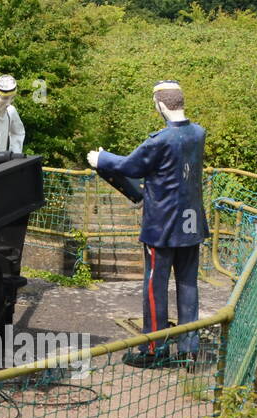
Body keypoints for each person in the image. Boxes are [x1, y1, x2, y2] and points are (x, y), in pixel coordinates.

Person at [86, 81, 208, 368]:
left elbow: (131, 166)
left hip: (162, 226)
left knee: (155, 288)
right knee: (188, 285)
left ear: (161, 105)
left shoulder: (160, 141)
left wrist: (101, 158)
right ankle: (189, 351)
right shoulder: (199, 133)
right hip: (191, 224)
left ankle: (154, 350)